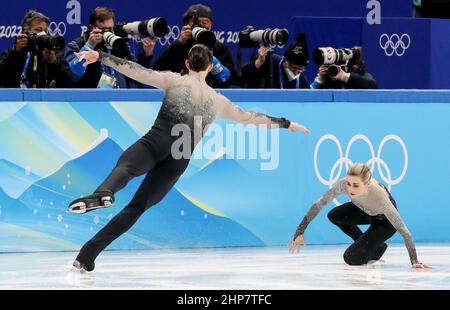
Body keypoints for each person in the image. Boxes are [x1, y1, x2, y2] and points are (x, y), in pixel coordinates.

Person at [68, 44, 311, 271]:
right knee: (136, 208)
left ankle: (104, 192)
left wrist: (100, 56)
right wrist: (285, 123)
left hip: (157, 141)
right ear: (208, 68)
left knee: (126, 166)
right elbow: (250, 117)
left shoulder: (173, 80)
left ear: (186, 63)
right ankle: (87, 254)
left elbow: (137, 70)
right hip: (179, 158)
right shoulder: (218, 101)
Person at [289, 163, 431, 269]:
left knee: (350, 258)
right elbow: (319, 204)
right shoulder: (344, 185)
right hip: (365, 210)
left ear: (367, 184)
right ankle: (371, 245)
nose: (350, 189)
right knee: (334, 215)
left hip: (384, 223)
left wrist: (414, 261)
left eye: (356, 185)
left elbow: (404, 230)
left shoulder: (379, 197)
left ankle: (375, 248)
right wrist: (300, 231)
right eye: (349, 183)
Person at [64, 6, 155, 88]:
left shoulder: (118, 45)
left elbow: (137, 77)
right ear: (92, 28)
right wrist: (90, 45)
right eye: (103, 30)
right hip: (91, 103)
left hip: (119, 102)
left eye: (110, 29)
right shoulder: (77, 45)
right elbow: (72, 76)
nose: (108, 33)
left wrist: (146, 55)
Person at [153, 3, 238, 88]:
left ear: (210, 24)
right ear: (186, 24)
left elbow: (230, 81)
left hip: (211, 95)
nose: (201, 26)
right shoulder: (178, 46)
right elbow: (158, 69)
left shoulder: (220, 48)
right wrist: (178, 44)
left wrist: (216, 65)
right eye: (196, 23)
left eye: (205, 23)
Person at [0, 10, 73, 88]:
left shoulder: (51, 53)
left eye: (45, 31)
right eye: (38, 30)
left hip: (44, 99)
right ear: (25, 32)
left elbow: (69, 81)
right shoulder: (16, 52)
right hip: (15, 97)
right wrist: (14, 52)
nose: (43, 34)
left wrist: (53, 62)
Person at [241, 33, 310, 89]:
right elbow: (238, 78)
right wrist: (257, 64)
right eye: (294, 68)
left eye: (301, 69)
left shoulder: (302, 80)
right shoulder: (268, 61)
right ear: (285, 60)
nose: (296, 72)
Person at [310, 47, 378, 89]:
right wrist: (319, 79)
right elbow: (306, 96)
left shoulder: (357, 70)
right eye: (337, 64)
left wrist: (344, 76)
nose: (339, 67)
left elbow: (373, 85)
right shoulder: (328, 75)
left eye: (342, 64)